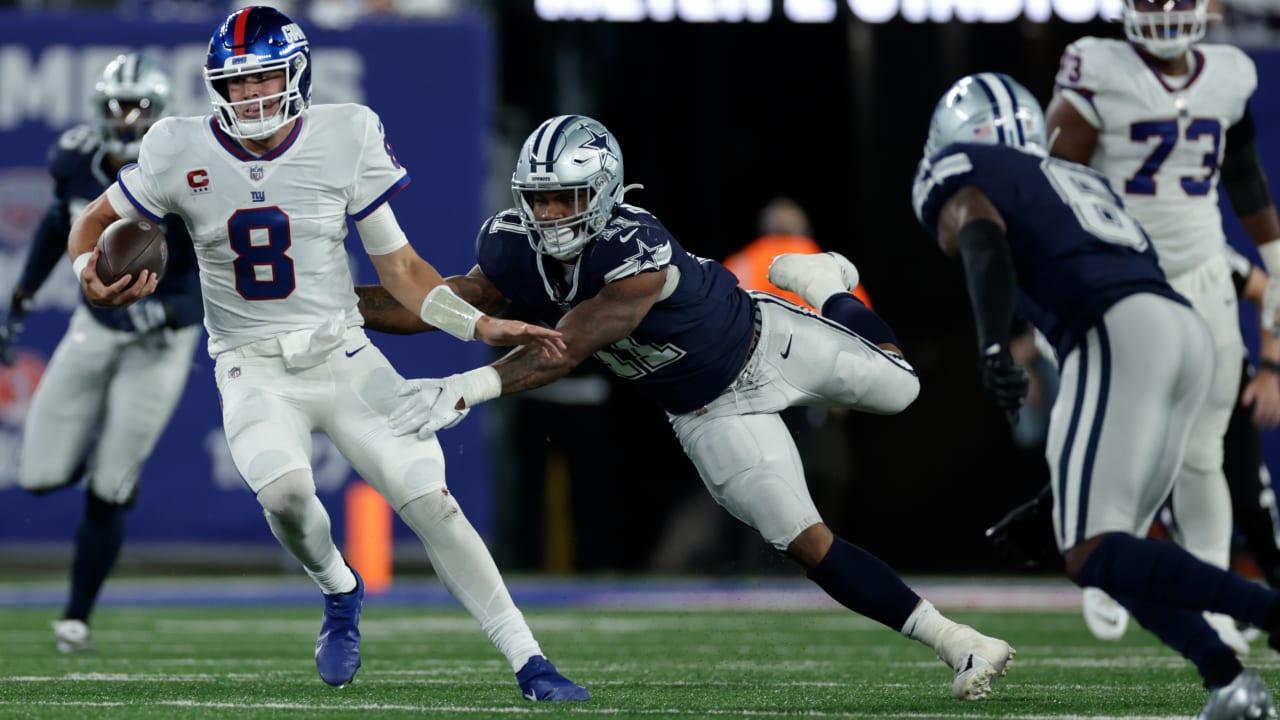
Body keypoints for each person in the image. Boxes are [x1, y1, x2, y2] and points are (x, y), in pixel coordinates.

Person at [361, 113, 1017, 701]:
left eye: (568, 197)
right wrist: (335, 306)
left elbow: (568, 344)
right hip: (705, 411)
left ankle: (820, 282)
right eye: (541, 199)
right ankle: (958, 642)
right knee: (805, 543)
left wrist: (466, 388)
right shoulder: (508, 245)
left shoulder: (636, 244)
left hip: (767, 343)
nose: (553, 214)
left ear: (606, 194)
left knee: (904, 389)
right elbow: (441, 304)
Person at [63, 6, 587, 702]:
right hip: (252, 363)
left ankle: (531, 662)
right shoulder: (175, 147)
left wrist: (479, 328)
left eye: (263, 78)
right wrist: (85, 274)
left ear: (297, 74)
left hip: (344, 355)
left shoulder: (346, 132)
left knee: (430, 500)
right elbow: (95, 224)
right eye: (236, 83)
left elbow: (400, 269)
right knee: (284, 494)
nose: (250, 95)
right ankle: (340, 589)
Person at [914, 70, 1280, 718]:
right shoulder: (1075, 178)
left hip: (1113, 330)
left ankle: (1268, 615)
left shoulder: (963, 170)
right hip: (1179, 331)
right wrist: (1056, 502)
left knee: (1091, 551)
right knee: (1112, 549)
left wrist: (993, 340)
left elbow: (978, 229)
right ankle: (1228, 680)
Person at [1045, 0, 1280, 649]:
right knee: (1116, 444)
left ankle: (1213, 596)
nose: (1162, 10)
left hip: (1206, 279)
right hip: (1124, 279)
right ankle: (1102, 570)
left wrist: (1275, 258)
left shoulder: (1228, 74)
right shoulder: (1101, 65)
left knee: (1203, 453)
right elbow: (1054, 180)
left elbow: (1244, 177)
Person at [0, 54, 202, 654]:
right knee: (38, 474)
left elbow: (221, 279)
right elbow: (54, 225)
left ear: (161, 112)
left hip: (162, 340)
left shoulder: (188, 171)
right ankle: (110, 479)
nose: (129, 117)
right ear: (98, 112)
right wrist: (22, 297)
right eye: (118, 106)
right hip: (93, 327)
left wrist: (164, 309)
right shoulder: (75, 160)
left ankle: (76, 617)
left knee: (111, 482)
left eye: (140, 106)